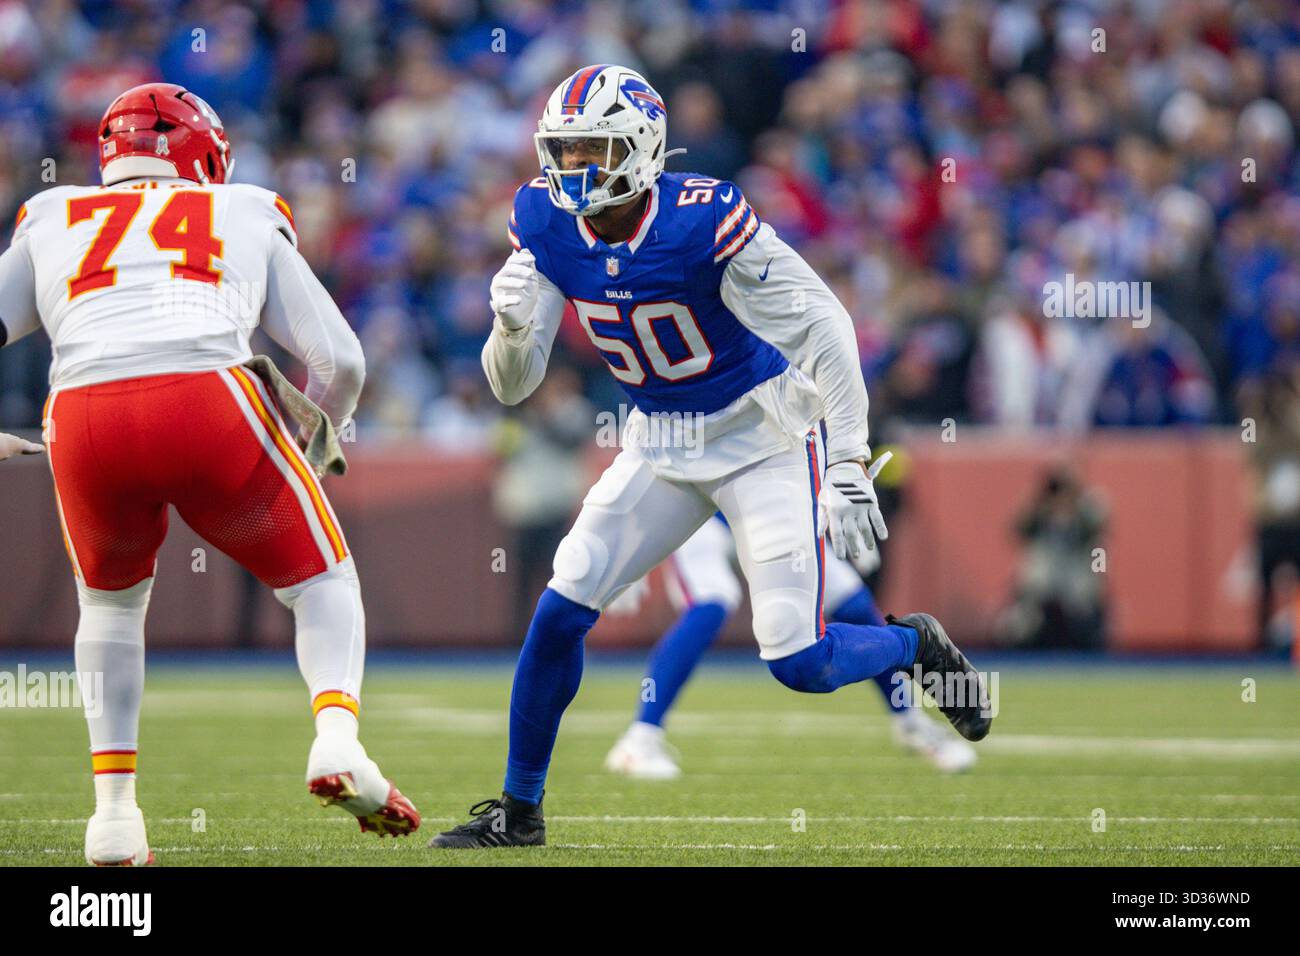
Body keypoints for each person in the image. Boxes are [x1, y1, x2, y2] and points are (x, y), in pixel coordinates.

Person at [430, 65, 991, 849]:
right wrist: (513, 332)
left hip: (758, 438)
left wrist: (849, 463)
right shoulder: (545, 221)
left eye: (591, 148)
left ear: (638, 146)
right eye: (562, 150)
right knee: (561, 609)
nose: (570, 168)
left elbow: (825, 326)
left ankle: (913, 644)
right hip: (658, 441)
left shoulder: (703, 220)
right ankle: (519, 812)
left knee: (796, 658)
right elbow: (513, 388)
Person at [0, 83, 418, 865]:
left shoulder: (52, 214)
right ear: (206, 157)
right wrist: (312, 435)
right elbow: (342, 360)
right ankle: (335, 737)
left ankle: (114, 816)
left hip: (83, 412)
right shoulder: (248, 208)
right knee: (321, 581)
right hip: (208, 395)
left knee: (113, 612)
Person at [604, 515, 977, 778]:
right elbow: (651, 440)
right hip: (704, 512)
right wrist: (631, 537)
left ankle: (909, 719)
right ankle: (641, 738)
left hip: (769, 509)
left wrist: (839, 487)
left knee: (853, 602)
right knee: (712, 603)